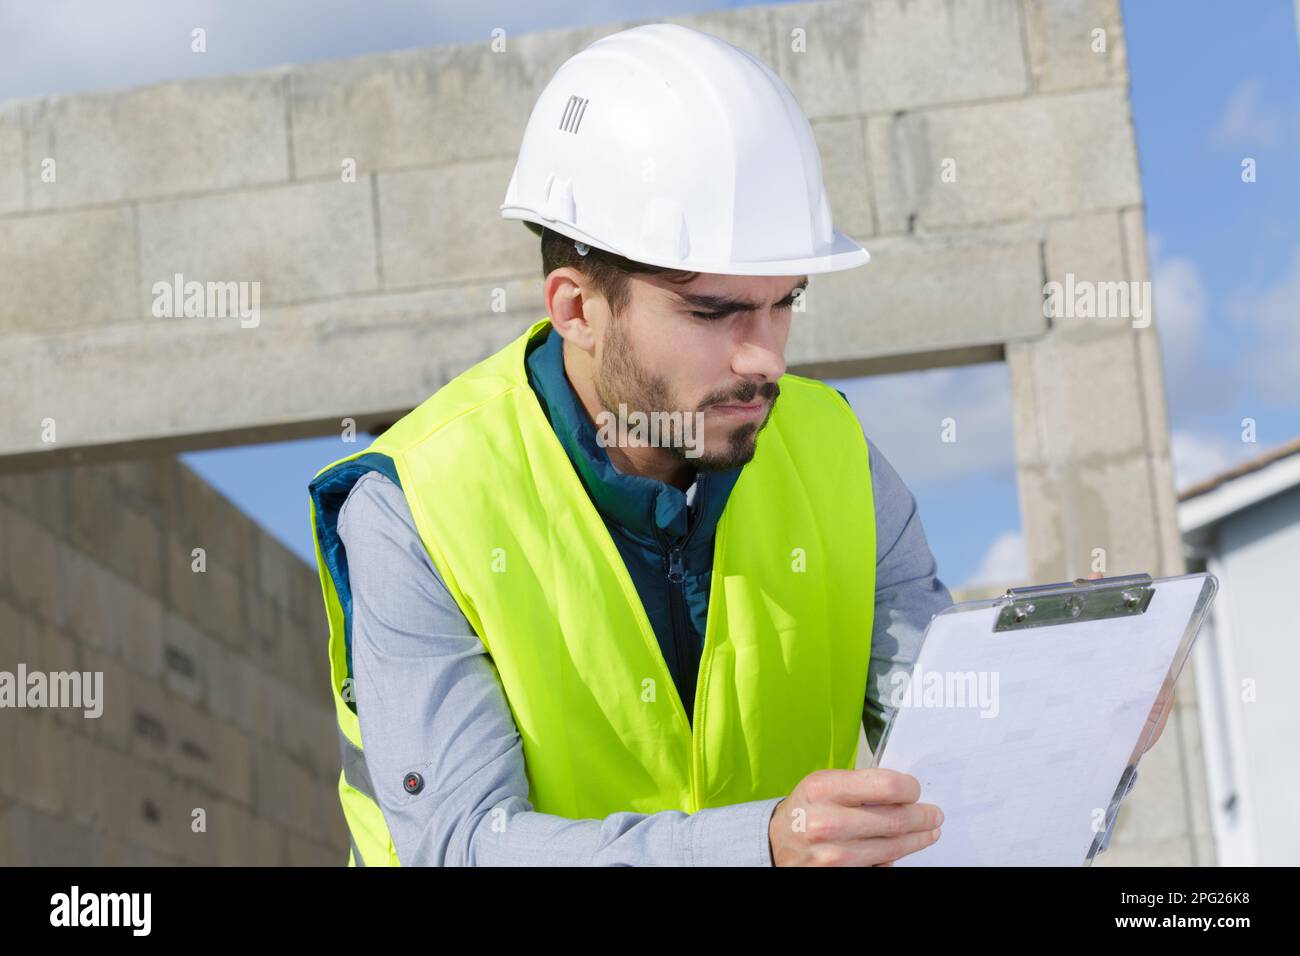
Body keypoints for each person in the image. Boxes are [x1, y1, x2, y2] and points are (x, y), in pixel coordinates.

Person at [307, 22, 1149, 866]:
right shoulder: (415, 505)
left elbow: (952, 775)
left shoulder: (833, 452)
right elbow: (459, 847)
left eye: (785, 301)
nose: (766, 357)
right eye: (714, 312)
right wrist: (762, 846)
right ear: (575, 309)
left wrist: (1079, 724)